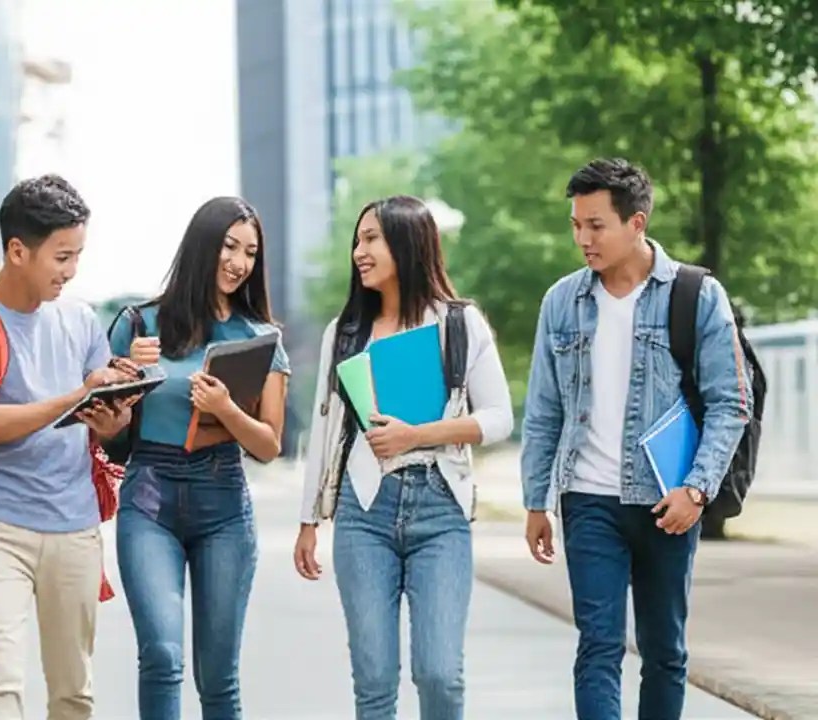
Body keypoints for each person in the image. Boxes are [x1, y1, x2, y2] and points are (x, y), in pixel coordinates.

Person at [520, 158, 753, 720]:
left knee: (664, 651)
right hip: (588, 499)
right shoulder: (562, 302)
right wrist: (536, 501)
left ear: (637, 222)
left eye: (595, 225)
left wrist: (696, 491)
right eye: (576, 225)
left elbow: (731, 402)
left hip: (666, 501)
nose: (583, 239)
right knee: (597, 646)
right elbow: (544, 411)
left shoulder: (696, 295)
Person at [295, 195, 514, 720]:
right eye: (358, 239)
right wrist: (308, 520)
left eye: (372, 238)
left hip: (440, 510)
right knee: (373, 681)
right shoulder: (344, 332)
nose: (358, 251)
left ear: (409, 243)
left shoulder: (461, 325)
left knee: (440, 673)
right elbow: (325, 429)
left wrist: (417, 435)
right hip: (362, 512)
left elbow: (499, 418)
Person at [0, 174, 136, 720]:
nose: (71, 271)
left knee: (74, 694)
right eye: (62, 256)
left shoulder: (80, 319)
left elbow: (100, 423)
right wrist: (74, 396)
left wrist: (113, 415)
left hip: (74, 526)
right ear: (17, 251)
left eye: (78, 256)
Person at [107, 196, 290, 720]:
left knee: (218, 678)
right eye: (230, 246)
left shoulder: (260, 338)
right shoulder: (137, 323)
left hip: (224, 503)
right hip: (149, 495)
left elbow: (268, 445)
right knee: (162, 655)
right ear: (202, 245)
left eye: (250, 253)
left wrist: (226, 408)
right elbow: (99, 424)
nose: (239, 262)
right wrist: (123, 378)